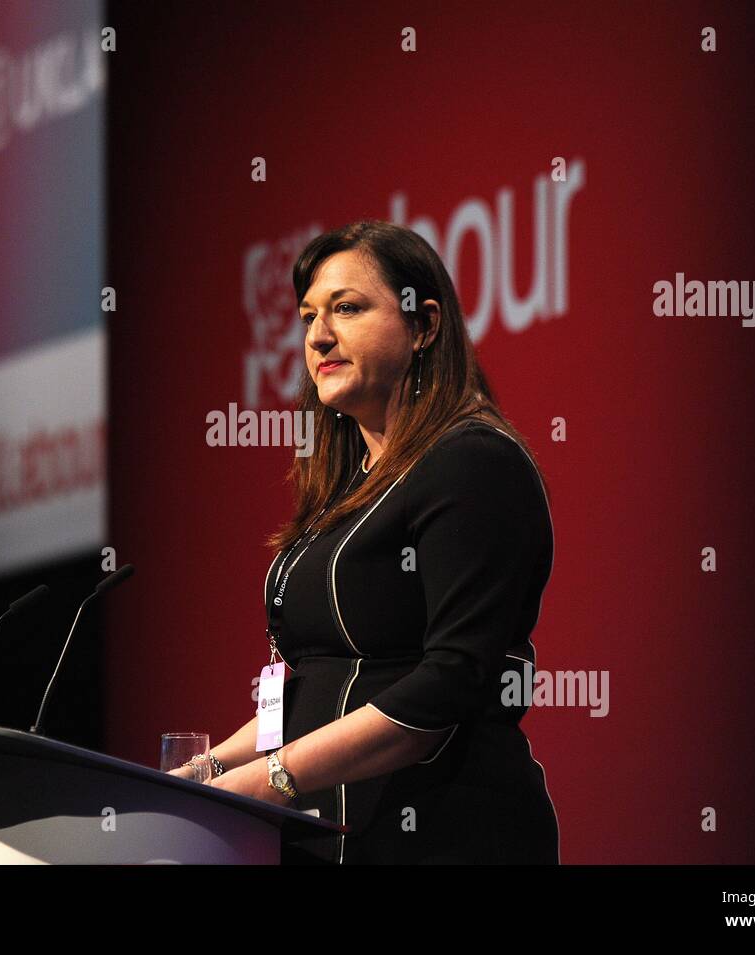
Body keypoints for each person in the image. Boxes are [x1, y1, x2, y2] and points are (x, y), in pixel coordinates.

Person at [170, 219, 559, 864]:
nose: (318, 336)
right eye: (307, 317)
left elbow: (449, 682)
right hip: (327, 836)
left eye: (347, 309)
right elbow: (312, 685)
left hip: (447, 835)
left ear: (424, 325)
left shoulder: (473, 463)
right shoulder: (345, 494)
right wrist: (202, 772)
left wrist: (269, 779)